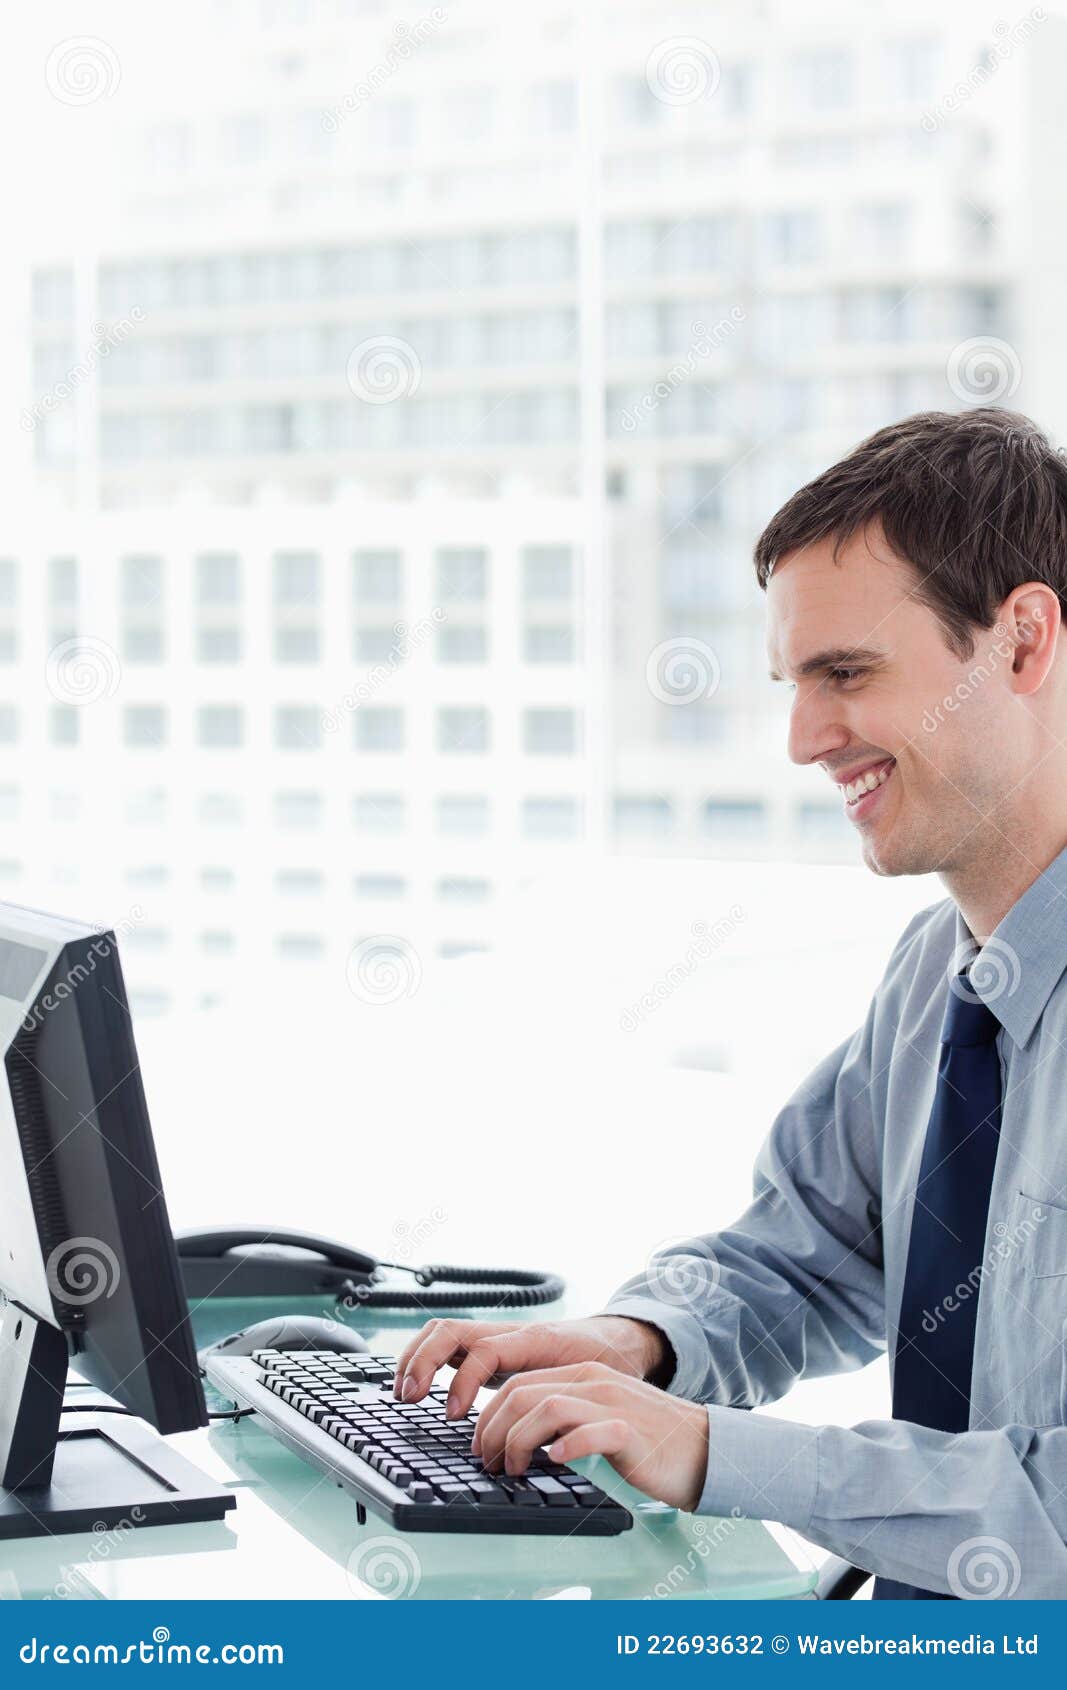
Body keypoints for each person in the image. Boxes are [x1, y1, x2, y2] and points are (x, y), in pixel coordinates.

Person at [395, 407, 1067, 1599]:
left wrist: (710, 1451)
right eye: (789, 683)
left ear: (1018, 643)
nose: (804, 738)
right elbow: (810, 1253)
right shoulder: (936, 975)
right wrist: (634, 1347)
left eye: (843, 674)